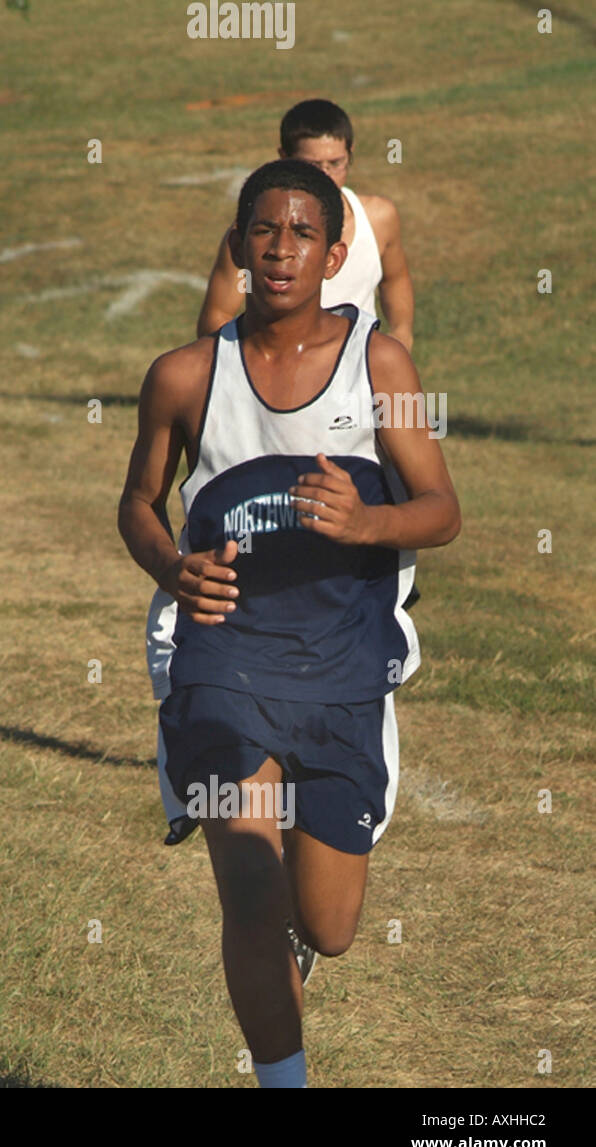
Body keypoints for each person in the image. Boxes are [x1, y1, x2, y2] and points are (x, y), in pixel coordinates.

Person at [118, 159, 459, 1087]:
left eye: (302, 233)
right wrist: (171, 565)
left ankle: (294, 949)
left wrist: (370, 523)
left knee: (331, 925)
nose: (280, 250)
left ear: (334, 252)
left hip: (343, 667)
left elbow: (440, 507)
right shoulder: (186, 377)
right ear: (236, 249)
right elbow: (139, 504)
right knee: (250, 884)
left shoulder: (380, 362)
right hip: (222, 663)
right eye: (263, 232)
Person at [195, 99, 414, 353]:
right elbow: (217, 314)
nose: (326, 176)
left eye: (335, 163)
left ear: (350, 154)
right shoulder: (256, 234)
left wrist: (401, 332)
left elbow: (394, 279)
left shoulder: (379, 219)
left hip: (357, 376)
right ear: (284, 158)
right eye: (312, 166)